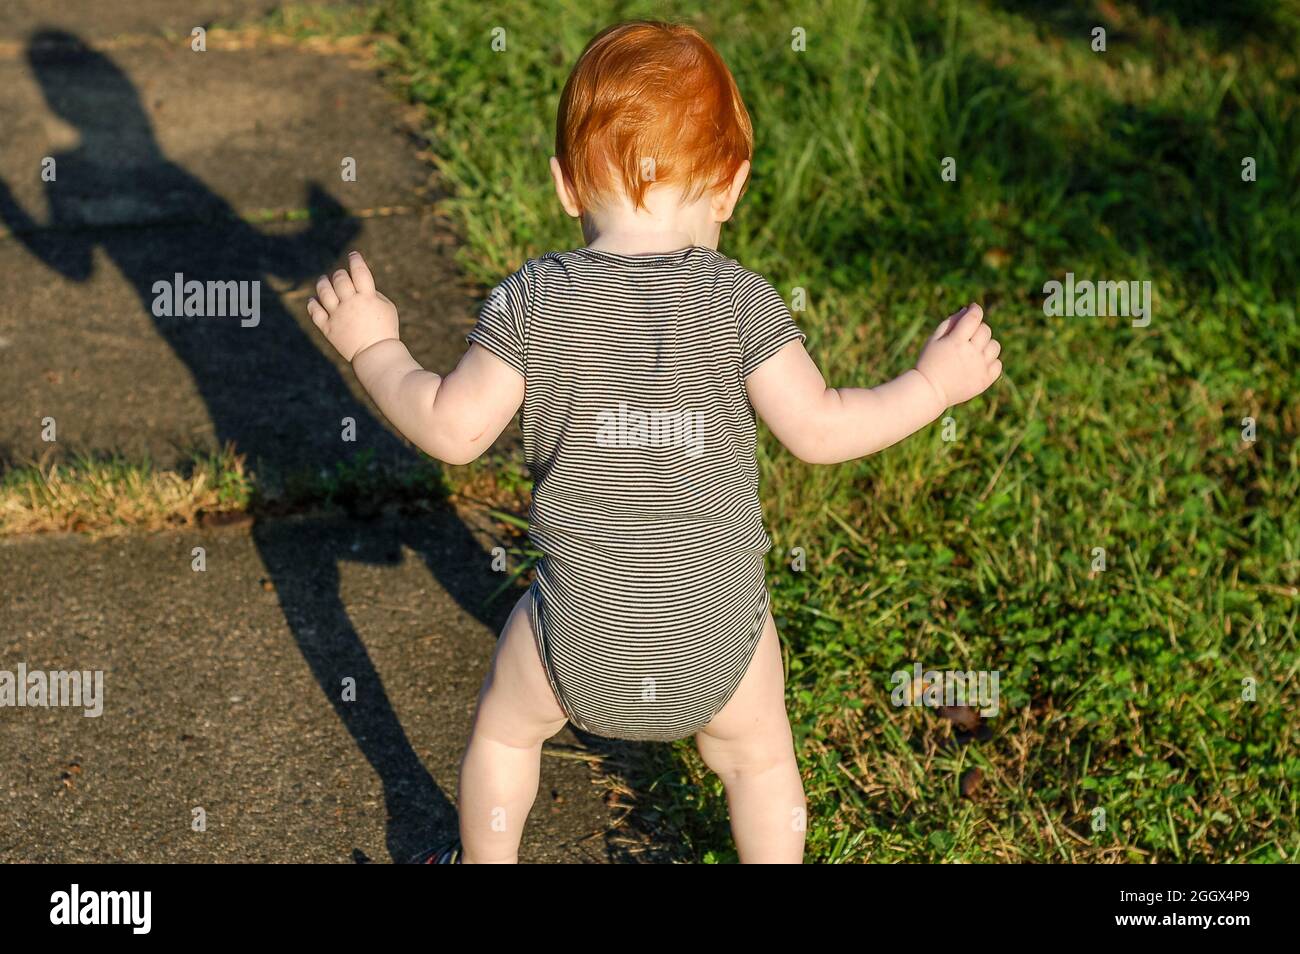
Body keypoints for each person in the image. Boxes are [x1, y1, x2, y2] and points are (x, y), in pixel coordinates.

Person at [309, 20, 1001, 864]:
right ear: (732, 186)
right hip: (721, 643)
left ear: (565, 186)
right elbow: (823, 430)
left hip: (581, 644)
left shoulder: (534, 300)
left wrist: (375, 347)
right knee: (760, 761)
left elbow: (451, 432)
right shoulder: (741, 302)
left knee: (503, 736)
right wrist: (933, 384)